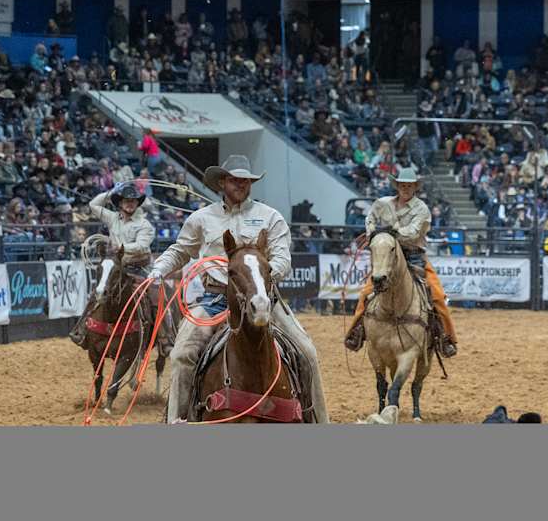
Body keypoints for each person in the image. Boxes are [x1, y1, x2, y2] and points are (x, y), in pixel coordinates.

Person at [147, 155, 330, 423]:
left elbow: (282, 259)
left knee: (307, 353)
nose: (241, 184)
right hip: (215, 300)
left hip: (262, 299)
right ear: (222, 182)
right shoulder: (202, 218)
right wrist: (159, 269)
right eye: (235, 179)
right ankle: (178, 421)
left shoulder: (270, 217)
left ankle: (319, 422)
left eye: (246, 180)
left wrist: (258, 276)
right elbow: (180, 250)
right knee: (182, 354)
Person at [342, 167, 458, 360]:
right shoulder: (382, 203)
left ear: (415, 187)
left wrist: (391, 232)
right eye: (402, 185)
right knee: (366, 294)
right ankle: (357, 331)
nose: (405, 188)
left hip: (413, 256)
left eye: (409, 185)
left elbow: (413, 233)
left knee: (437, 296)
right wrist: (373, 232)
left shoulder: (421, 209)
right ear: (397, 186)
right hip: (387, 256)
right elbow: (370, 219)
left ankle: (446, 338)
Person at [69, 182, 155, 345]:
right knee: (99, 292)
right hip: (117, 267)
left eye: (133, 201)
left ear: (137, 204)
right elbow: (94, 205)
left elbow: (142, 246)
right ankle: (82, 330)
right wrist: (111, 192)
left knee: (153, 296)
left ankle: (164, 337)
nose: (130, 204)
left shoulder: (144, 225)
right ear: (120, 203)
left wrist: (122, 247)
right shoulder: (113, 218)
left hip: (139, 267)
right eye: (126, 200)